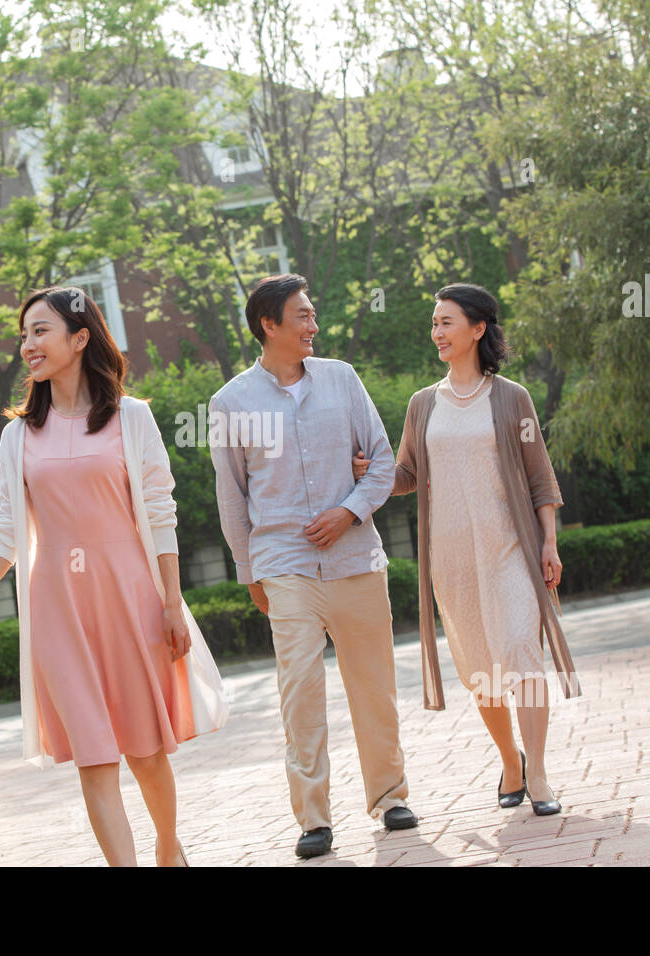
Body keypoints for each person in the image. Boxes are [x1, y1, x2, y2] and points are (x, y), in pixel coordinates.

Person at [0, 286, 228, 867]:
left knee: (146, 747)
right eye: (24, 333)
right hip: (57, 608)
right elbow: (7, 532)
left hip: (129, 596)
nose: (27, 344)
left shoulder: (132, 419)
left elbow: (159, 512)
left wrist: (173, 603)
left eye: (40, 331)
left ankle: (167, 846)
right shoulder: (16, 436)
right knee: (95, 756)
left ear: (79, 339)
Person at [209, 273, 417, 860]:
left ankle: (390, 796)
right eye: (301, 315)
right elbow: (232, 495)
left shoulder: (342, 379)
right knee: (299, 690)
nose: (313, 325)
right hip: (285, 564)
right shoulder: (230, 403)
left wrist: (348, 513)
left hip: (355, 559)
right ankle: (313, 820)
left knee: (372, 685)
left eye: (313, 314)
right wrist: (249, 572)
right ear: (268, 324)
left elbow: (381, 462)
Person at [355, 282, 581, 816]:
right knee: (480, 668)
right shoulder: (423, 404)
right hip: (451, 556)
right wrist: (373, 472)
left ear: (478, 329)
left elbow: (540, 477)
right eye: (434, 324)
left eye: (446, 322)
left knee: (523, 654)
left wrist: (548, 542)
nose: (436, 332)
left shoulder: (512, 398)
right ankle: (510, 760)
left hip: (511, 551)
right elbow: (408, 474)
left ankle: (541, 774)